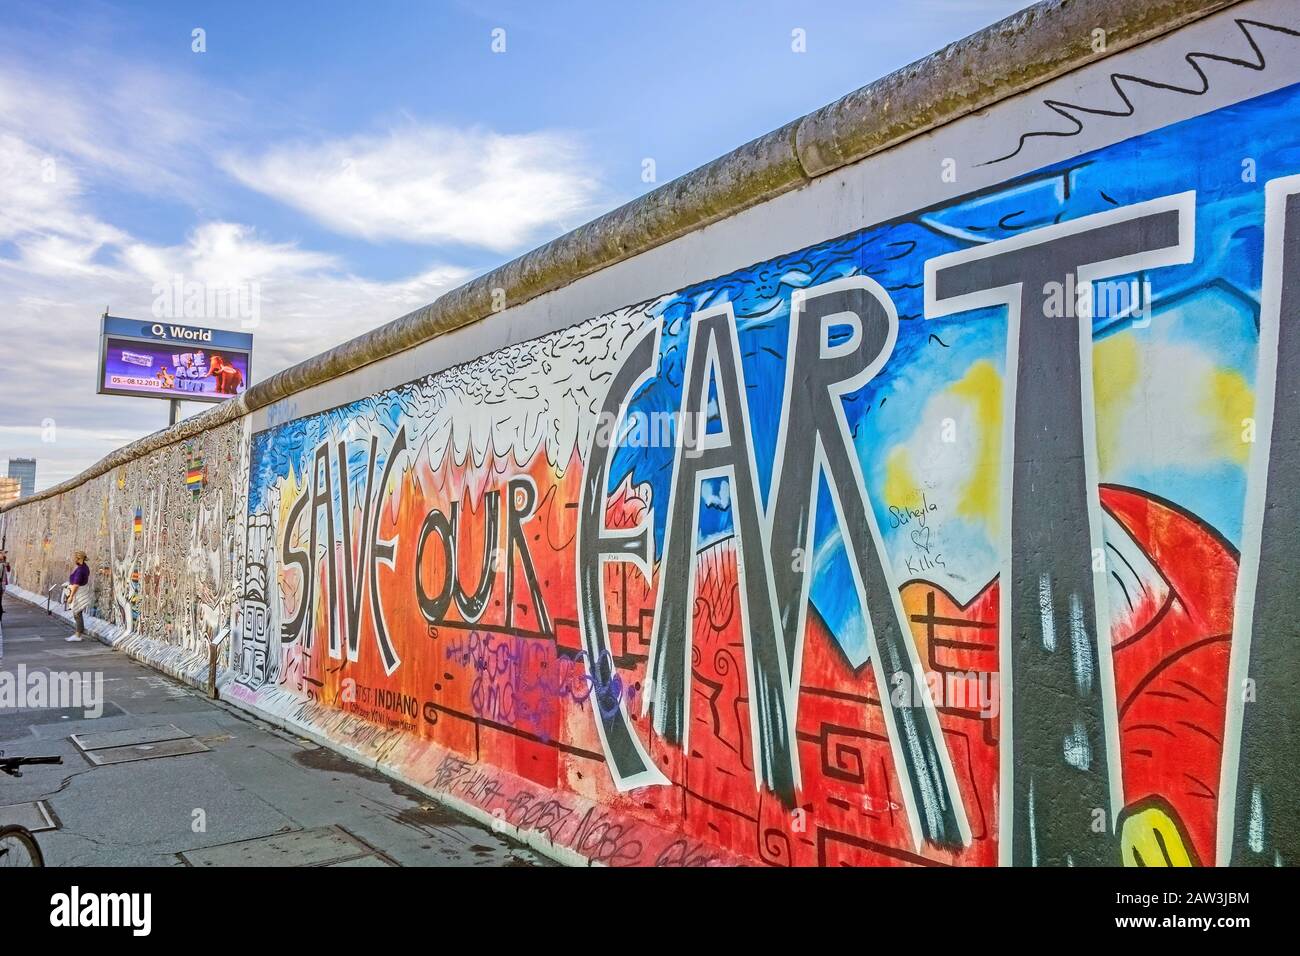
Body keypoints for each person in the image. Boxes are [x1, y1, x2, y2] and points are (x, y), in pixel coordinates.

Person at [65, 550, 91, 642]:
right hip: (81, 591)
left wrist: (71, 596)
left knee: (77, 613)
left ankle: (78, 635)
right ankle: (78, 633)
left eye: (75, 558)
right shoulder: (84, 567)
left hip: (78, 593)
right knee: (78, 613)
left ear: (78, 558)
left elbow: (76, 585)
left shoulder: (80, 570)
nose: (74, 559)